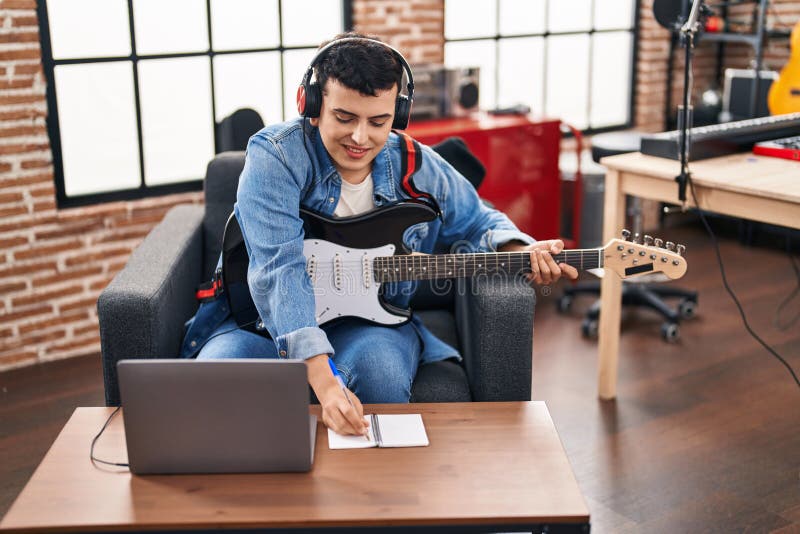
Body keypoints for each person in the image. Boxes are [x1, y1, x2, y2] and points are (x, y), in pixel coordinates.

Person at [180, 32, 578, 437]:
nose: (360, 138)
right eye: (345, 118)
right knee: (218, 380)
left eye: (378, 122)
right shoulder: (276, 157)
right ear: (312, 105)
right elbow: (278, 268)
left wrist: (518, 249)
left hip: (370, 324)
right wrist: (324, 379)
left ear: (398, 113)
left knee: (381, 378)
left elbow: (478, 220)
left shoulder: (415, 163)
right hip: (262, 323)